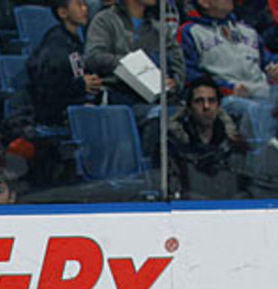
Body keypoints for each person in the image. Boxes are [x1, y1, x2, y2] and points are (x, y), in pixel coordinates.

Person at [179, 0, 278, 143]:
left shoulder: (248, 31)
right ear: (204, 2)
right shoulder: (190, 32)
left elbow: (267, 61)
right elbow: (187, 74)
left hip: (264, 92)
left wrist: (275, 69)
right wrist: (226, 89)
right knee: (250, 109)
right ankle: (264, 158)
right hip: (227, 99)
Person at [84, 0, 184, 107]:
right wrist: (135, 65)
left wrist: (175, 83)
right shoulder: (104, 20)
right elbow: (94, 57)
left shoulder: (159, 27)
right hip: (117, 97)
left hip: (157, 100)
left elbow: (177, 61)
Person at [167, 75, 249, 198]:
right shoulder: (172, 144)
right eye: (199, 101)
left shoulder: (232, 145)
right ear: (188, 108)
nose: (206, 107)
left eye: (211, 101)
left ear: (218, 107)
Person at [27, 0, 104, 127]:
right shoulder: (56, 43)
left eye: (85, 4)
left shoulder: (76, 42)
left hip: (78, 105)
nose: (85, 9)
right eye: (79, 5)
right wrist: (80, 84)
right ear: (63, 12)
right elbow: (50, 85)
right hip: (58, 112)